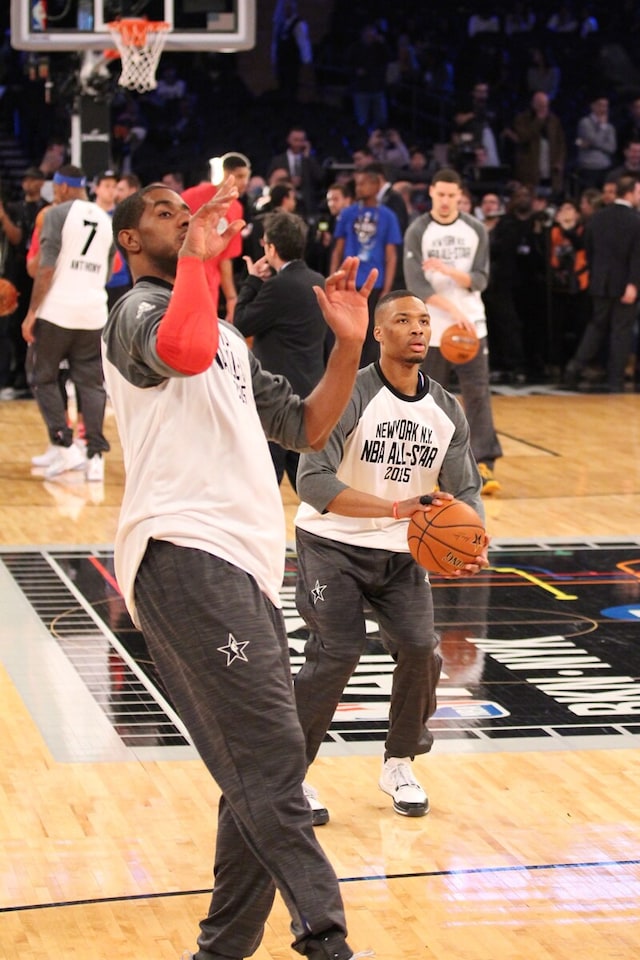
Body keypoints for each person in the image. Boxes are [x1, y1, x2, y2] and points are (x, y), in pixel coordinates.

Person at [102, 176, 377, 960]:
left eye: (185, 212)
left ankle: (222, 948)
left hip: (245, 564)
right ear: (131, 242)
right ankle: (326, 939)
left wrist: (350, 344)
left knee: (257, 759)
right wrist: (197, 256)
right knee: (269, 755)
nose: (182, 219)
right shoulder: (138, 313)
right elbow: (178, 351)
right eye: (162, 213)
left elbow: (306, 426)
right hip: (182, 552)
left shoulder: (226, 335)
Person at [294, 289, 489, 824]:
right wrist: (397, 507)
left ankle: (399, 761)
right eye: (403, 320)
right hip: (331, 542)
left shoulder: (446, 409)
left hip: (399, 554)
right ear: (378, 333)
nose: (418, 329)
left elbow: (465, 490)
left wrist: (472, 539)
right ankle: (290, 776)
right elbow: (311, 482)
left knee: (422, 649)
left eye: (424, 320)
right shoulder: (349, 394)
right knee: (337, 650)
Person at [403, 168, 503, 495]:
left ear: (460, 196)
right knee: (430, 396)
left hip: (471, 326)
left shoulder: (475, 229)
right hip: (432, 328)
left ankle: (484, 462)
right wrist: (451, 308)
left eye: (451, 195)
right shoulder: (418, 230)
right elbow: (415, 283)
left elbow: (481, 278)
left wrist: (447, 271)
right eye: (440, 194)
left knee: (477, 392)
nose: (445, 201)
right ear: (431, 192)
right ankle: (429, 465)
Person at [22, 164, 114, 482]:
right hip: (93, 313)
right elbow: (108, 271)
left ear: (60, 187)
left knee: (40, 376)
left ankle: (65, 446)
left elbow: (46, 268)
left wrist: (32, 312)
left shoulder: (56, 215)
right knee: (91, 384)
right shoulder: (105, 218)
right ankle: (95, 456)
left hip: (58, 312)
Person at [234, 210, 327, 491]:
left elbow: (241, 324)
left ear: (271, 248)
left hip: (275, 400)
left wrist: (251, 281)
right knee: (310, 489)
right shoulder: (319, 282)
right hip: (313, 395)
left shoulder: (278, 287)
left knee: (264, 488)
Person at [564, 174, 640, 393]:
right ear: (629, 192)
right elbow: (637, 256)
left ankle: (574, 367)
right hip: (626, 285)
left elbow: (588, 249)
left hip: (599, 282)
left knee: (596, 327)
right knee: (620, 331)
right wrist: (634, 284)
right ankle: (615, 379)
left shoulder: (597, 218)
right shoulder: (635, 220)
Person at [330, 166, 403, 367]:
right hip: (348, 281)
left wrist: (387, 289)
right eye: (357, 184)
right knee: (347, 331)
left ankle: (367, 374)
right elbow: (337, 249)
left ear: (376, 184)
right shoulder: (347, 213)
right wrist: (333, 278)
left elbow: (391, 255)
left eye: (363, 183)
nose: (358, 188)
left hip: (374, 283)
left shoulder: (388, 216)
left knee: (372, 333)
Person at [181, 152, 251, 320]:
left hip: (210, 285)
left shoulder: (236, 208)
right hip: (182, 275)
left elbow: (225, 258)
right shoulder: (191, 196)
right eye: (240, 176)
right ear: (226, 174)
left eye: (246, 177)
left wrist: (231, 299)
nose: (245, 183)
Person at [510, 91, 567, 199]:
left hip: (551, 170)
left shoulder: (554, 120)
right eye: (541, 105)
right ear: (533, 104)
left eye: (546, 105)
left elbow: (561, 144)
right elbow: (523, 137)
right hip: (530, 171)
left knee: (550, 198)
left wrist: (559, 162)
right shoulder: (522, 119)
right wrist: (539, 121)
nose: (544, 109)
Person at [575, 95, 617, 188]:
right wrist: (602, 128)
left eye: (606, 106)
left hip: (605, 166)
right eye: (600, 105)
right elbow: (594, 140)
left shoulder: (609, 127)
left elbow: (612, 148)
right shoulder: (585, 123)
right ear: (593, 106)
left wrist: (592, 144)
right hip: (588, 166)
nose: (603, 109)